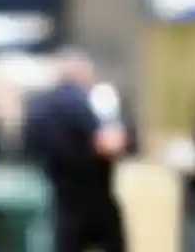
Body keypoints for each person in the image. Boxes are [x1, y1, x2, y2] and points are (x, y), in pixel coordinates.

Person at [26, 50, 132, 252]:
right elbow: (108, 144)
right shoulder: (82, 102)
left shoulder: (38, 107)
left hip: (62, 198)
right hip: (95, 196)